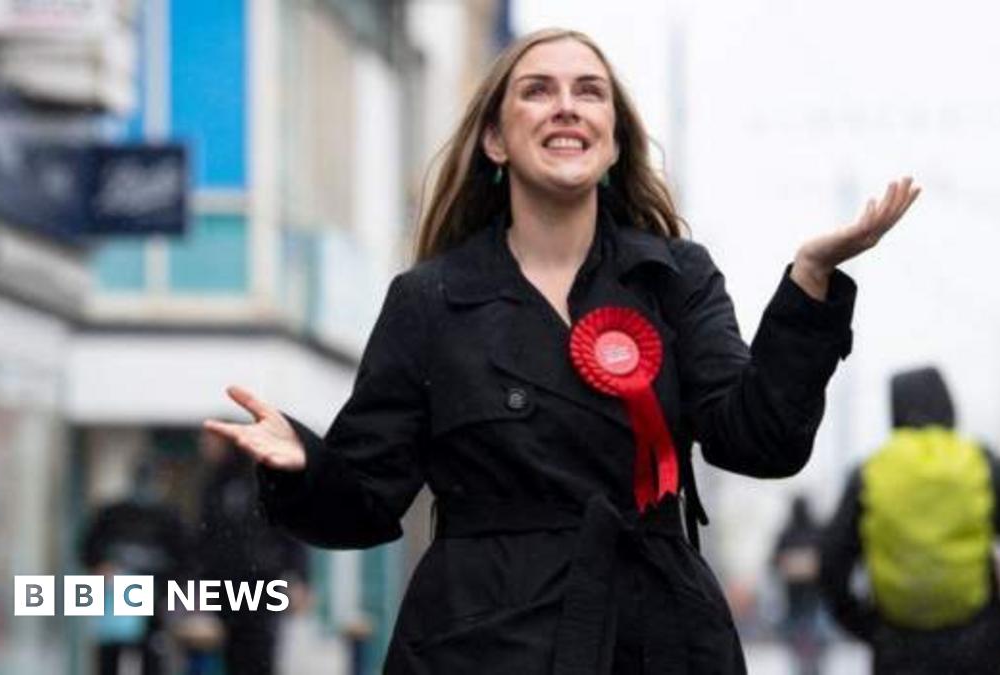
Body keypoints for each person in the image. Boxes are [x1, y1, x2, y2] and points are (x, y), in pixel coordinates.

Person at [203, 28, 920, 674]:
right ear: (495, 140)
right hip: (480, 642)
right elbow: (363, 501)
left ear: (612, 139)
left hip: (656, 637)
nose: (566, 107)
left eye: (590, 92)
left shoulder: (673, 277)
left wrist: (810, 283)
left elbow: (761, 440)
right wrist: (303, 460)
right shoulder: (430, 300)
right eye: (537, 90)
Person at [819, 366, 1000, 675]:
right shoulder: (983, 465)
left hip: (897, 649)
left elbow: (831, 562)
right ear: (948, 406)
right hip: (980, 645)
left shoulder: (870, 473)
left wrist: (866, 626)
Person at [195, 429, 309, 675]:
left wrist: (298, 577)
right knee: (232, 656)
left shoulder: (261, 481)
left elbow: (289, 532)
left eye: (211, 441)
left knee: (259, 653)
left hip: (262, 582)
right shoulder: (212, 486)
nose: (205, 447)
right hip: (224, 586)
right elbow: (205, 540)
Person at [80, 460, 191, 675]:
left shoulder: (169, 519)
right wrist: (102, 567)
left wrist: (168, 592)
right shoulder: (114, 515)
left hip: (152, 601)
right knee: (112, 657)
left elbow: (184, 562)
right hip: (117, 600)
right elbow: (89, 550)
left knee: (150, 658)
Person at [770, 496, 828, 675]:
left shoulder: (786, 535)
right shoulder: (818, 532)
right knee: (814, 641)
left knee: (799, 642)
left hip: (797, 598)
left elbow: (773, 562)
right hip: (814, 598)